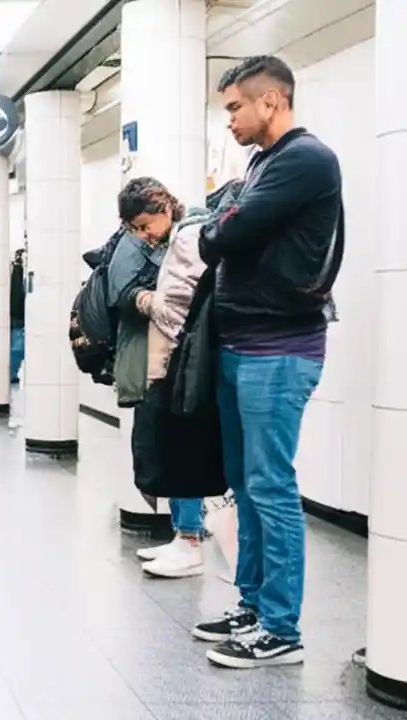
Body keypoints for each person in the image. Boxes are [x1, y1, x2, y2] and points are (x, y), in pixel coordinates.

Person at [193, 55, 342, 669]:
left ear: (271, 102)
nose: (228, 119)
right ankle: (253, 605)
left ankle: (282, 628)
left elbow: (219, 234)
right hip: (243, 344)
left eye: (234, 107)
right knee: (247, 486)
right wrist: (221, 220)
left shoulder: (307, 160)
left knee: (271, 488)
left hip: (279, 350)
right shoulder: (263, 163)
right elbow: (220, 224)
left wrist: (220, 222)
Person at [114, 177, 215, 579]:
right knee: (173, 448)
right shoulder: (182, 235)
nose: (143, 236)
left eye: (144, 225)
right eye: (135, 229)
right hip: (179, 358)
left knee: (181, 449)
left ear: (164, 207)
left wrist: (143, 300)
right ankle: (182, 535)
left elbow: (176, 306)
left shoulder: (187, 237)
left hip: (181, 359)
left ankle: (189, 538)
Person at [10, 248, 26, 384]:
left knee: (16, 348)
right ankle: (12, 374)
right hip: (18, 316)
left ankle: (11, 373)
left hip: (15, 315)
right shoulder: (19, 274)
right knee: (17, 348)